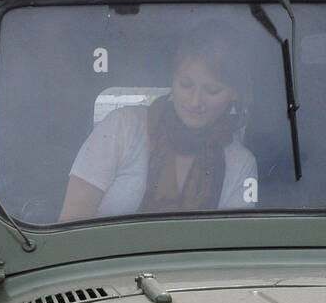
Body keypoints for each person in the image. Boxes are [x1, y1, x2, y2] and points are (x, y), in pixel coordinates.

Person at [59, 24, 258, 220]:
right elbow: (71, 222)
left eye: (212, 90)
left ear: (234, 93)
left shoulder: (240, 163)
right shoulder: (123, 127)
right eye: (186, 85)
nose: (196, 101)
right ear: (173, 80)